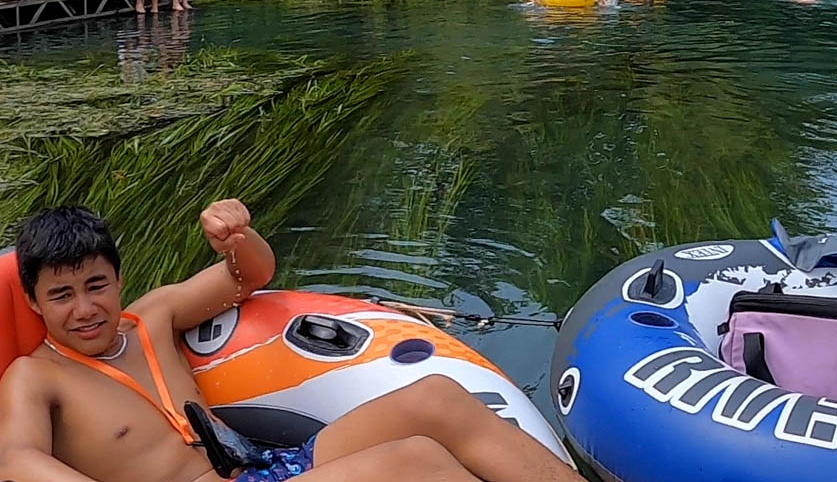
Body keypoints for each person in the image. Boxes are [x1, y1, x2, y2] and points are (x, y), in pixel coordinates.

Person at [0, 202, 584, 482]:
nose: (85, 309)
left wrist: (237, 236)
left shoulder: (150, 317)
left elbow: (248, 276)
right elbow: (16, 460)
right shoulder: (37, 376)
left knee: (436, 395)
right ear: (33, 301)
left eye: (96, 285)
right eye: (62, 295)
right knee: (416, 461)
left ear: (118, 280)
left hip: (261, 466)